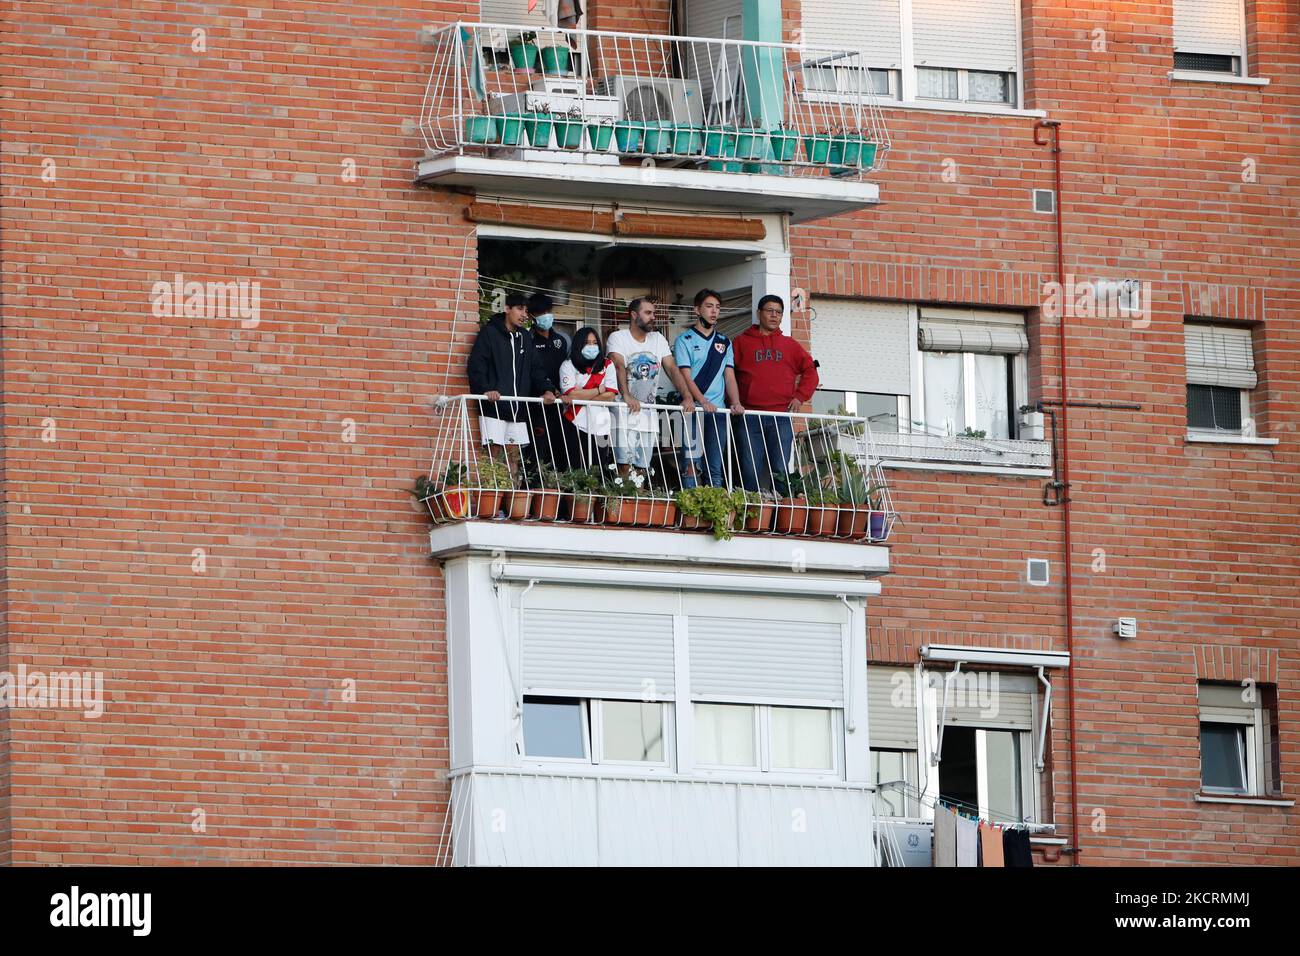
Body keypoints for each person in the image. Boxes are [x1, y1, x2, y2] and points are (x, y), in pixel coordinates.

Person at [732, 294, 819, 494]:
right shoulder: (741, 342)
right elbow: (727, 374)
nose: (774, 316)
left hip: (780, 417)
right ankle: (751, 511)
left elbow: (811, 372)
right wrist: (733, 401)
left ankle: (780, 515)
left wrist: (799, 397)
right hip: (749, 416)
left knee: (780, 468)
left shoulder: (789, 345)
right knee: (749, 468)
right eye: (770, 311)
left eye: (778, 312)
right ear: (758, 313)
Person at [605, 296, 691, 484]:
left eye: (654, 313)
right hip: (623, 412)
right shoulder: (618, 337)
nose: (653, 317)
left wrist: (687, 396)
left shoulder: (658, 339)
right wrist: (626, 395)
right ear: (634, 315)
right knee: (624, 465)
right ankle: (624, 503)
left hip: (648, 414)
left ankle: (638, 504)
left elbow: (672, 368)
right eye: (648, 313)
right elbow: (619, 366)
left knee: (643, 466)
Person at [466, 292, 557, 456]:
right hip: (494, 406)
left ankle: (513, 483)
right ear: (507, 308)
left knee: (514, 456)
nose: (524, 315)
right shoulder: (489, 333)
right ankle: (491, 484)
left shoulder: (525, 337)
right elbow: (476, 366)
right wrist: (485, 390)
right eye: (520, 309)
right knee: (492, 454)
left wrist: (548, 389)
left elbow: (535, 367)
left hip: (518, 408)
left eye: (526, 311)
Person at [673, 288, 745, 488]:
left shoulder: (724, 342)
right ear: (697, 310)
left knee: (715, 465)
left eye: (718, 307)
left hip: (718, 411)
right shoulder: (684, 340)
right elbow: (685, 376)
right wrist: (702, 401)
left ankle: (716, 513)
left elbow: (729, 376)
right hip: (693, 410)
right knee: (691, 465)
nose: (714, 311)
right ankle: (691, 512)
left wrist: (736, 402)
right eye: (709, 306)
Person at [523, 292, 575, 479]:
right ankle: (536, 489)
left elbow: (572, 368)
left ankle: (562, 493)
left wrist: (565, 392)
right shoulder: (527, 341)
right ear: (532, 316)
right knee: (538, 451)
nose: (546, 316)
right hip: (537, 404)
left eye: (548, 311)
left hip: (562, 404)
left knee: (562, 448)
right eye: (541, 312)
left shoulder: (563, 340)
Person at [558, 327, 618, 470]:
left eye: (594, 342)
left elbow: (610, 396)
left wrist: (582, 395)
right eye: (587, 343)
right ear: (579, 344)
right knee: (576, 467)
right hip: (574, 421)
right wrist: (599, 390)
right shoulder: (568, 365)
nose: (592, 346)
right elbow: (571, 395)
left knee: (598, 469)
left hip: (601, 424)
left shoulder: (607, 364)